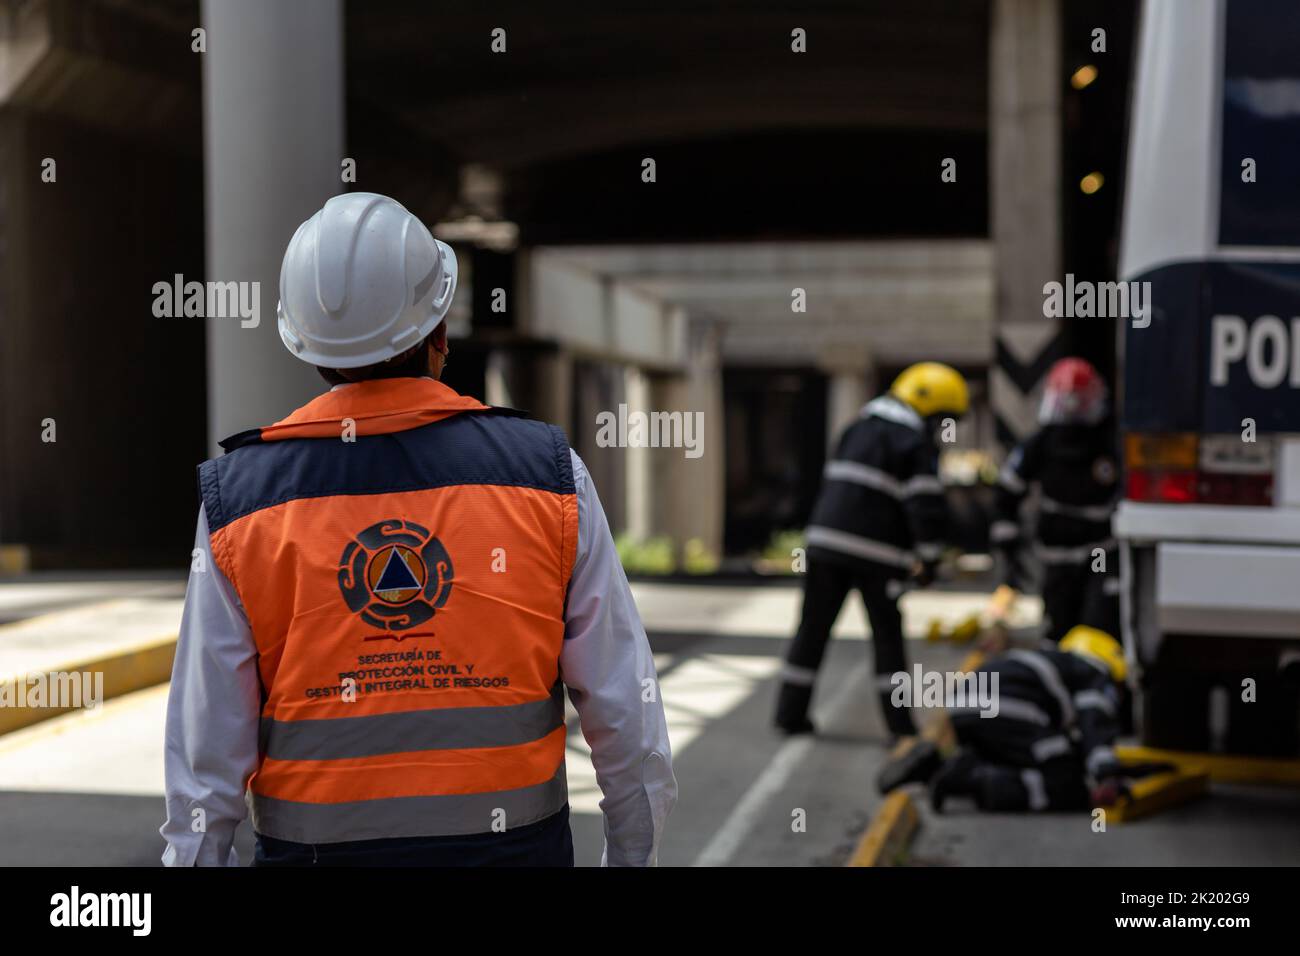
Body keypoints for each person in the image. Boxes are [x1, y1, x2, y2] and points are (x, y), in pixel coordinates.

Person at [160, 193, 675, 866]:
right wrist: (631, 859)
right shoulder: (549, 478)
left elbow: (205, 760)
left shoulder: (242, 502)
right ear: (440, 334)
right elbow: (627, 719)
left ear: (309, 350)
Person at [774, 363, 968, 739]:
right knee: (887, 639)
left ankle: (789, 715)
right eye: (944, 419)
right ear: (929, 410)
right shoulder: (913, 442)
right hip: (877, 556)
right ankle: (900, 728)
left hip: (825, 545)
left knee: (812, 630)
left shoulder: (857, 427)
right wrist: (929, 560)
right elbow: (925, 506)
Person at [878, 626, 1135, 812]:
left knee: (1019, 758)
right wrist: (1106, 775)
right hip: (1009, 710)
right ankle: (972, 782)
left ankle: (940, 765)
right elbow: (1095, 721)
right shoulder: (1095, 673)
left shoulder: (1050, 659)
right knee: (1066, 781)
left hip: (964, 706)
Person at [991, 357, 1121, 643]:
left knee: (1098, 629)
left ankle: (1098, 684)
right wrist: (1008, 542)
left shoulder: (1110, 443)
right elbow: (1007, 490)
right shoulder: (1041, 444)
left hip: (1099, 553)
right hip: (1056, 556)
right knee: (1057, 630)